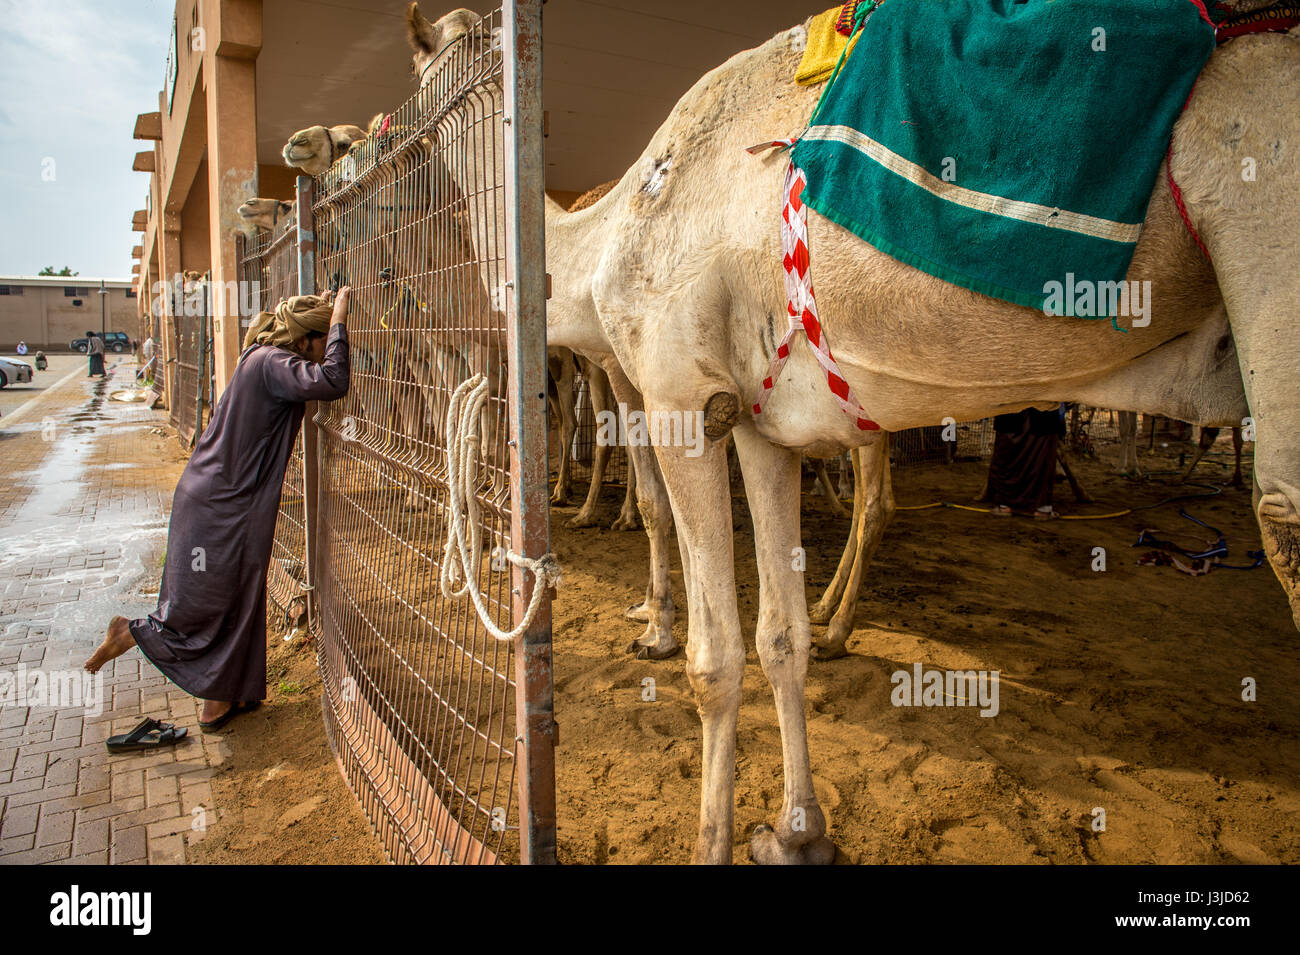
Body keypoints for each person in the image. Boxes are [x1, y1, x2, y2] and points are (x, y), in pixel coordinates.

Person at [85, 289, 351, 734]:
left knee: (242, 590)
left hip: (220, 497)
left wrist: (321, 313)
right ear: (305, 340)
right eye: (324, 339)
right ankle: (136, 634)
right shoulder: (271, 363)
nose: (328, 348)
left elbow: (310, 370)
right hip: (222, 504)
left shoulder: (263, 358)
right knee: (214, 594)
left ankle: (232, 692)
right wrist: (339, 316)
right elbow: (333, 381)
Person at [985, 405, 1066, 519]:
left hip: (1023, 411)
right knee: (1040, 459)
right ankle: (1041, 509)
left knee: (1012, 456)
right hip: (1039, 411)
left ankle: (1006, 506)